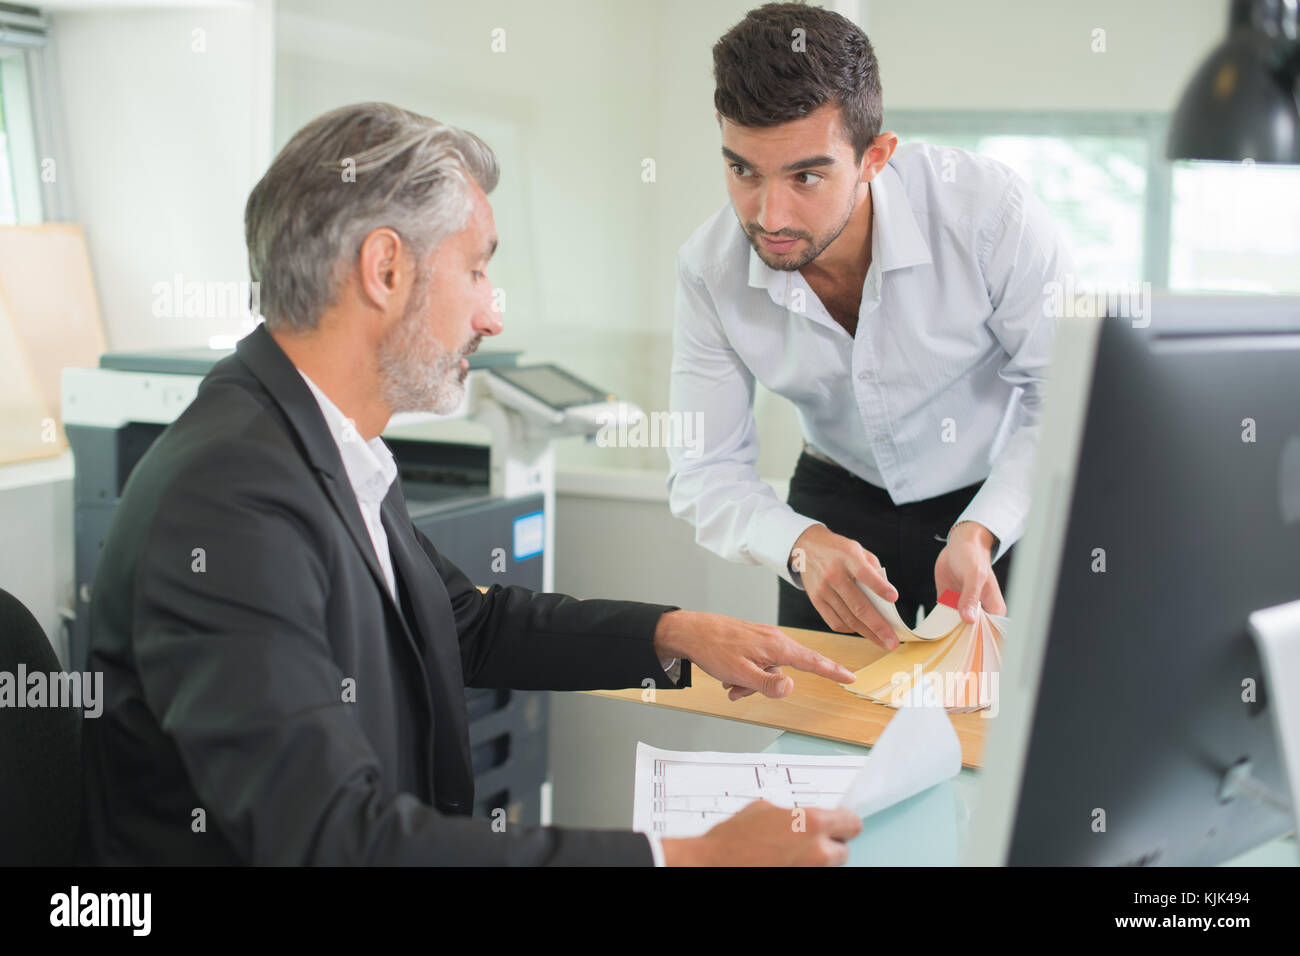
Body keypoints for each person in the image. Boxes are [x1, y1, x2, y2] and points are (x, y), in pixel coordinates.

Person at [79, 102, 863, 866]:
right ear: (385, 268)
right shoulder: (231, 501)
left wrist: (675, 634)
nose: (491, 316)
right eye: (478, 269)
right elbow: (331, 841)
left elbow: (464, 627)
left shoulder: (329, 444)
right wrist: (687, 858)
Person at [666, 3, 1072, 646]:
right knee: (816, 720)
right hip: (833, 505)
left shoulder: (991, 213)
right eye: (743, 169)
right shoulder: (706, 269)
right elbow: (703, 467)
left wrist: (983, 527)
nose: (769, 215)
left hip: (992, 500)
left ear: (875, 157)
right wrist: (798, 543)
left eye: (806, 176)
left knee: (1004, 727)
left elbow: (1065, 405)